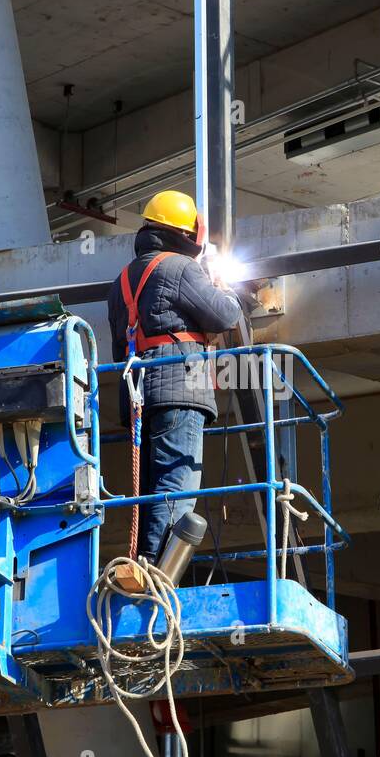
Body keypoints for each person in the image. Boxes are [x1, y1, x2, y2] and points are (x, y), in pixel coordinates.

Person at [106, 190, 243, 563]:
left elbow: (122, 346)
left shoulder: (121, 281)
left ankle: (143, 560)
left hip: (137, 392)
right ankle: (153, 567)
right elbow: (225, 316)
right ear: (187, 234)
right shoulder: (181, 268)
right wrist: (223, 287)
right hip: (180, 385)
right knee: (177, 482)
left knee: (150, 485)